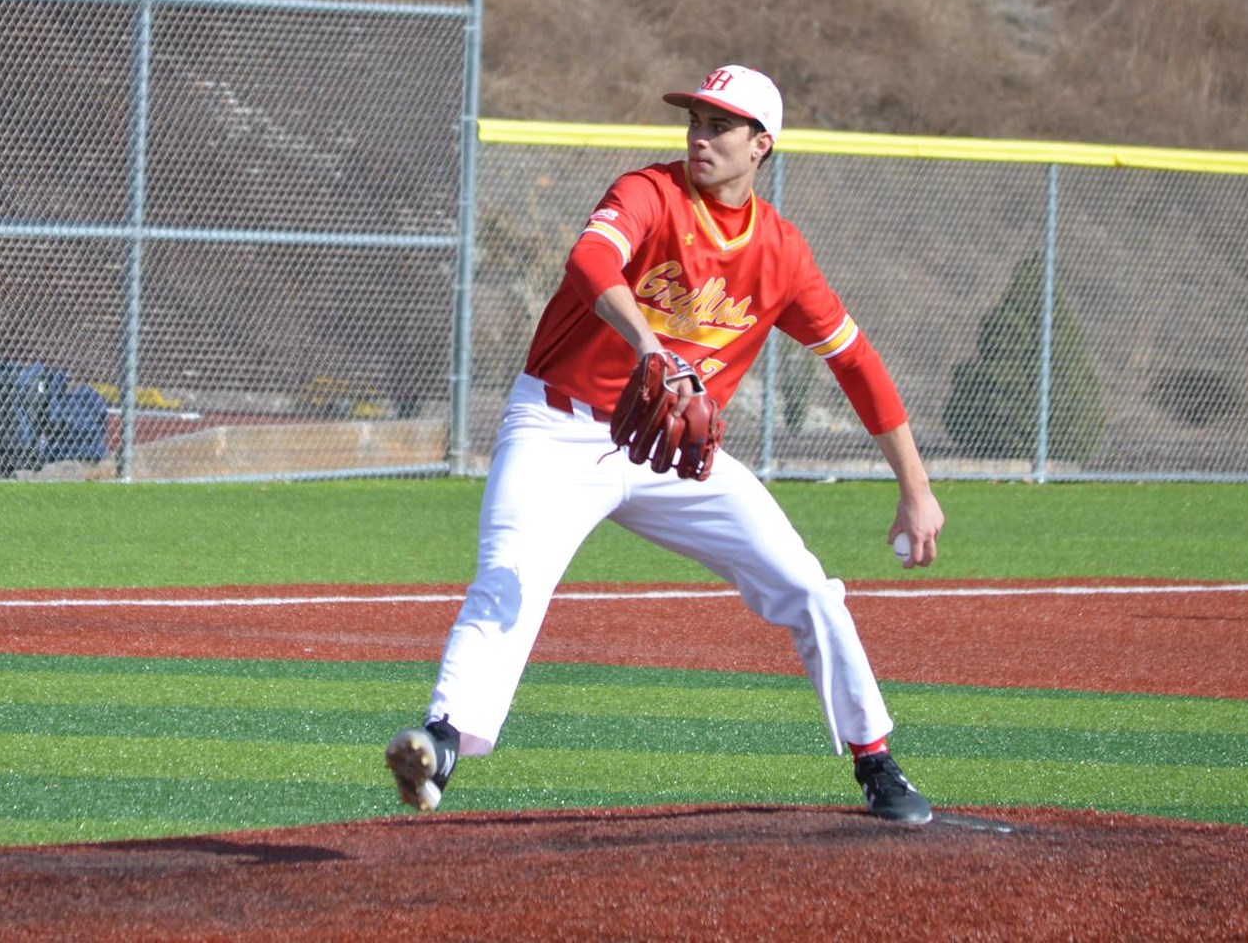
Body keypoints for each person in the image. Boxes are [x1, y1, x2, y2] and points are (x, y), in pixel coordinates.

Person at [385, 65, 946, 824]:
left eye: (720, 124)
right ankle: (442, 741)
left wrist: (913, 488)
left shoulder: (780, 252)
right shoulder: (648, 193)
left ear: (761, 146)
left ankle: (875, 759)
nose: (699, 135)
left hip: (670, 453)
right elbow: (588, 261)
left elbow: (853, 361)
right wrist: (649, 342)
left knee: (807, 587)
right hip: (559, 427)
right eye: (695, 119)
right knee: (508, 576)